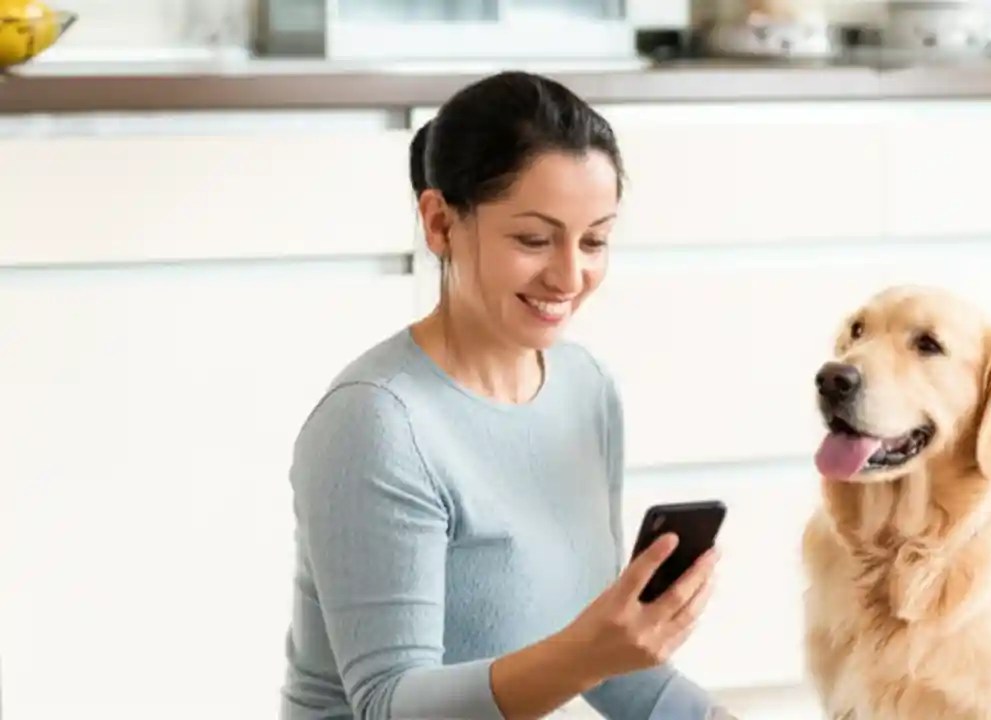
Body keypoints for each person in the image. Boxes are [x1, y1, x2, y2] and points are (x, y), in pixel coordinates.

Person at [279, 71, 736, 720]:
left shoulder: (586, 388)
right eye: (533, 239)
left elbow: (613, 673)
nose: (570, 276)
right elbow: (388, 706)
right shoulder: (376, 422)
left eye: (595, 240)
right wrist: (588, 653)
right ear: (440, 223)